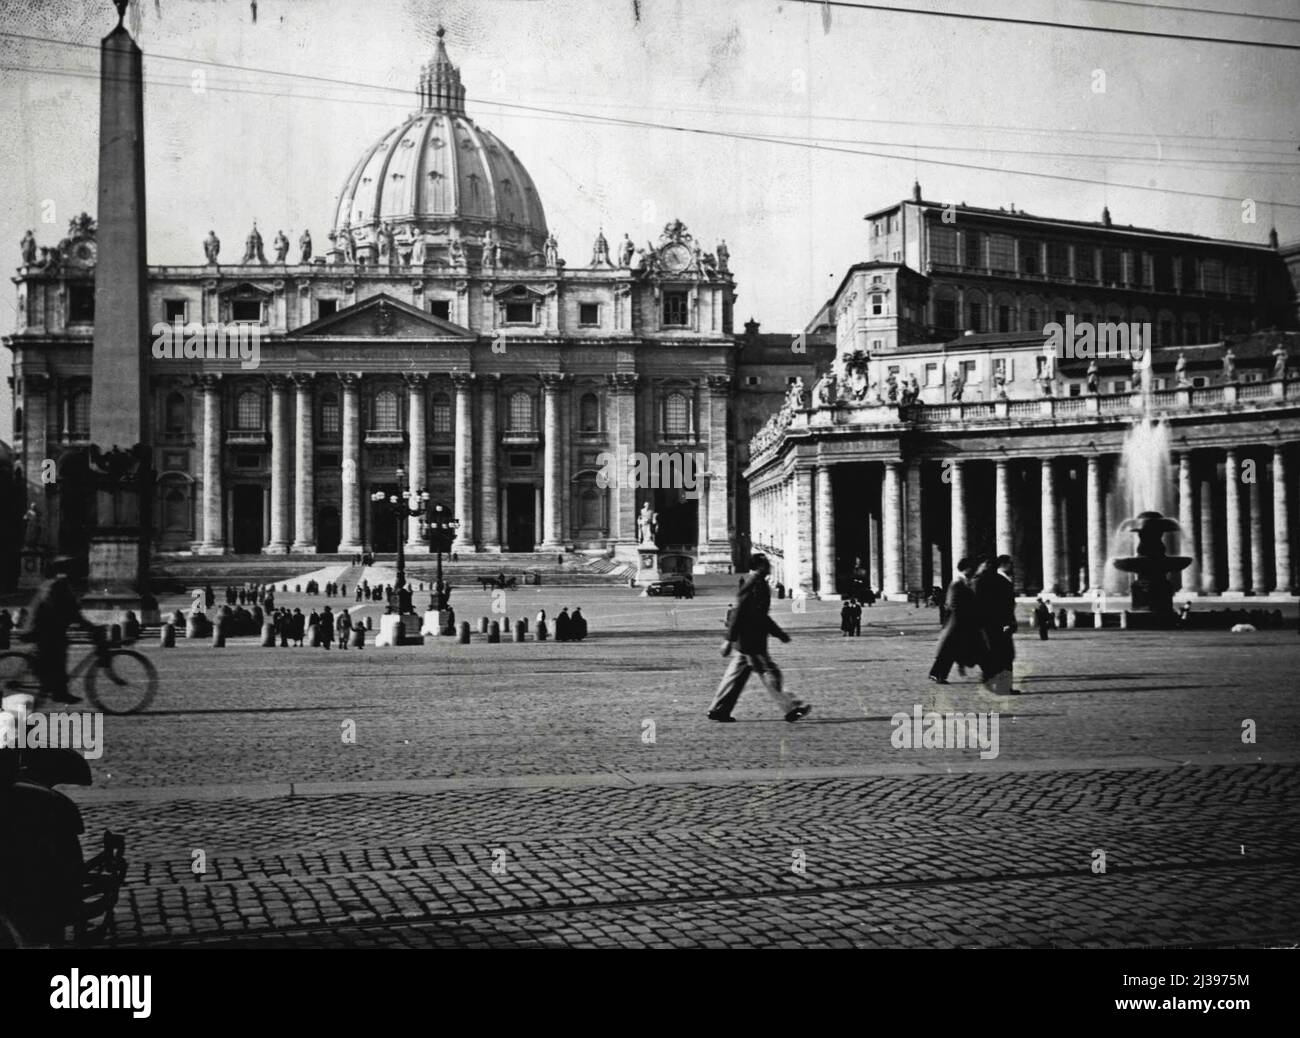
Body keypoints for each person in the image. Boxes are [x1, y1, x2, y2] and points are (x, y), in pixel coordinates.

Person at [707, 554, 811, 723]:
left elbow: (759, 614)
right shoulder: (754, 584)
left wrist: (778, 633)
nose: (769, 567)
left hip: (749, 639)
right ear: (759, 566)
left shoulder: (758, 582)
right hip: (751, 639)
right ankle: (792, 707)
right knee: (769, 672)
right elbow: (742, 612)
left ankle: (719, 709)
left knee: (736, 676)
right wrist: (729, 639)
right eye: (766, 564)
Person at [17, 563, 109, 704]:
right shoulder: (58, 586)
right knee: (58, 654)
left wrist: (86, 625)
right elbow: (69, 611)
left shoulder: (59, 585)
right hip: (43, 629)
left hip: (45, 627)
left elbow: (72, 611)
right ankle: (59, 692)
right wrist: (90, 627)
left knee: (58, 651)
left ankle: (55, 687)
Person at [975, 555, 1021, 694]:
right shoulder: (998, 581)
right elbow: (1003, 606)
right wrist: (1007, 623)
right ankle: (1003, 687)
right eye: (1010, 563)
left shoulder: (982, 581)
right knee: (1006, 656)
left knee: (997, 654)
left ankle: (992, 680)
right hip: (999, 624)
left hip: (989, 625)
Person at [928, 557, 979, 684]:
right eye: (971, 568)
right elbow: (952, 603)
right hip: (957, 622)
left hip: (959, 622)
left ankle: (938, 674)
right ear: (966, 569)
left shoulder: (963, 582)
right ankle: (938, 674)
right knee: (948, 650)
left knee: (950, 650)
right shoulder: (957, 583)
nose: (972, 571)